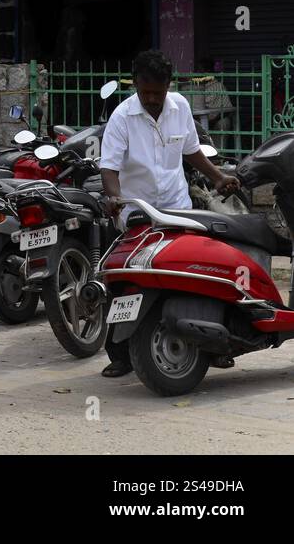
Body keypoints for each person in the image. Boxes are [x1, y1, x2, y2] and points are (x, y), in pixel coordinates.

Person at [98, 50, 240, 377]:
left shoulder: (181, 107)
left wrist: (218, 177)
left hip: (178, 209)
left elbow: (191, 150)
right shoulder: (121, 117)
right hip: (138, 213)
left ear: (168, 86)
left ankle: (211, 346)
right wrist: (114, 197)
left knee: (195, 277)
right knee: (126, 283)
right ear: (135, 86)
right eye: (144, 92)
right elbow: (109, 167)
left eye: (157, 93)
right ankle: (120, 354)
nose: (151, 99)